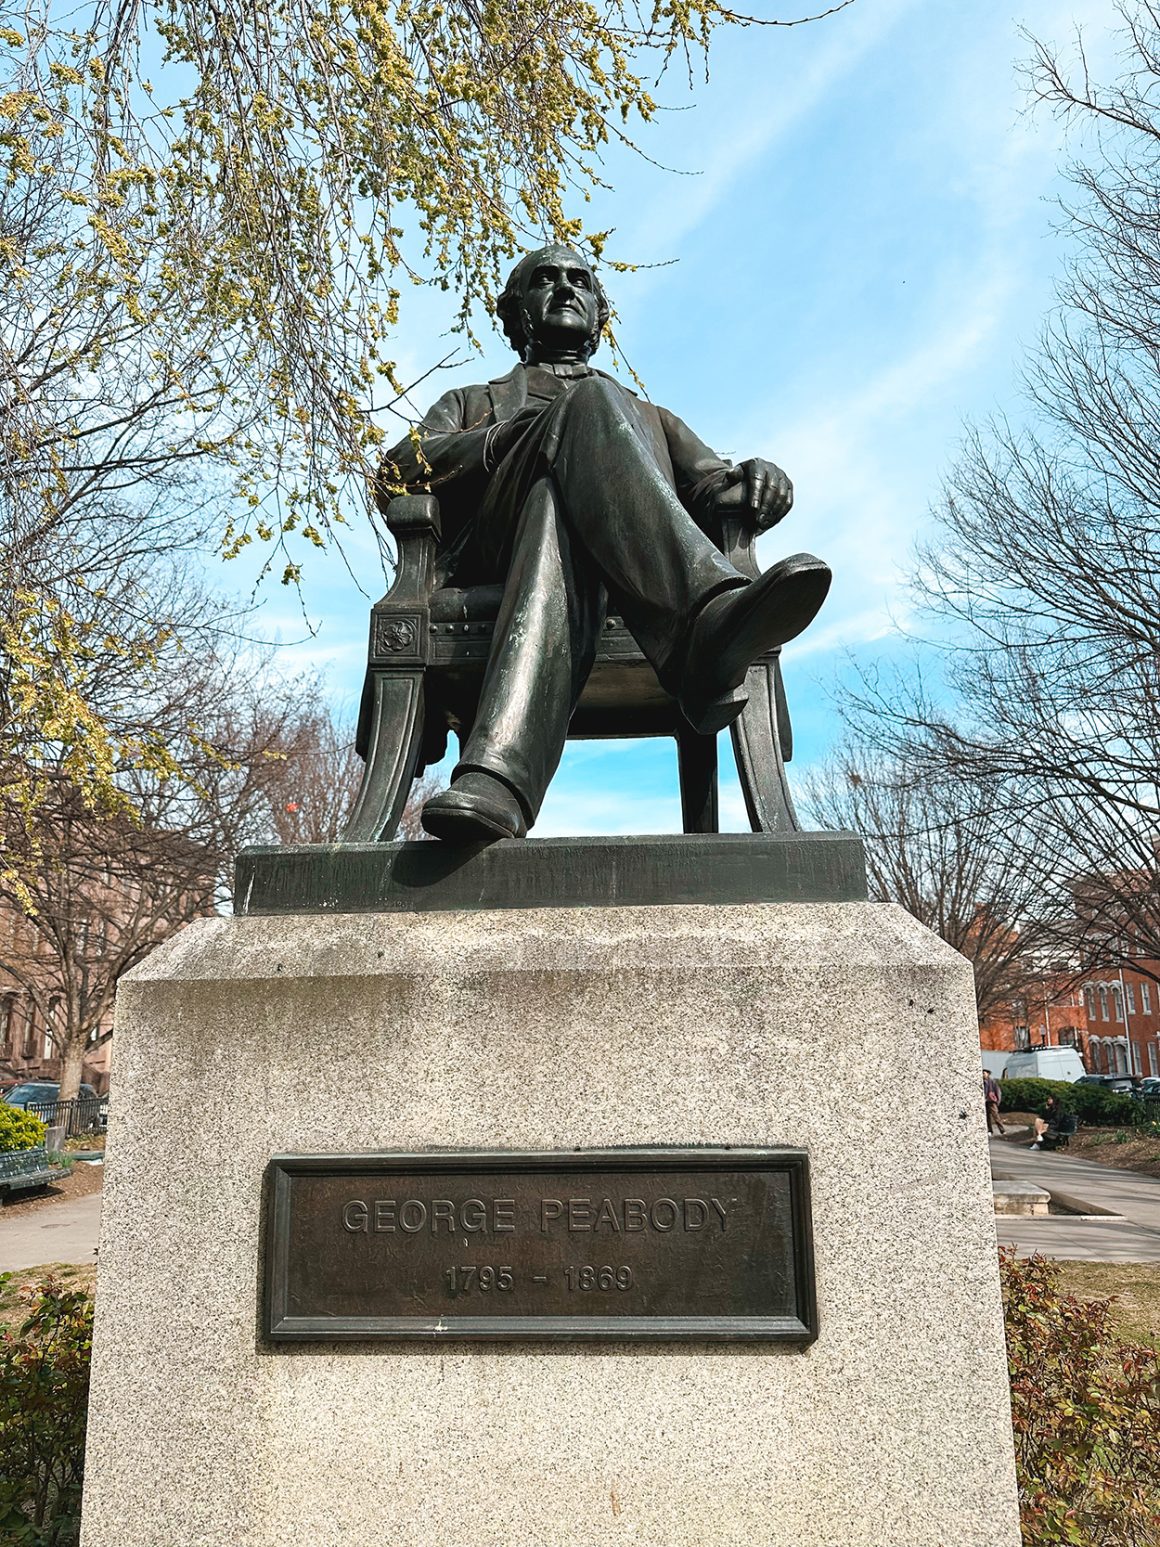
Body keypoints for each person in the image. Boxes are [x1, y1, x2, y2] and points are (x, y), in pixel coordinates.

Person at [380, 244, 831, 843]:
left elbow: (714, 488)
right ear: (514, 316)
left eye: (580, 280)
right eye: (545, 279)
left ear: (598, 315)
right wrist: (504, 439)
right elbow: (400, 468)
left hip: (609, 564)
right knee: (585, 406)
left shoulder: (651, 419)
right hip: (490, 551)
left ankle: (498, 781)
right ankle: (702, 624)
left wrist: (757, 478)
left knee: (555, 504)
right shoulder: (472, 403)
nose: (566, 288)